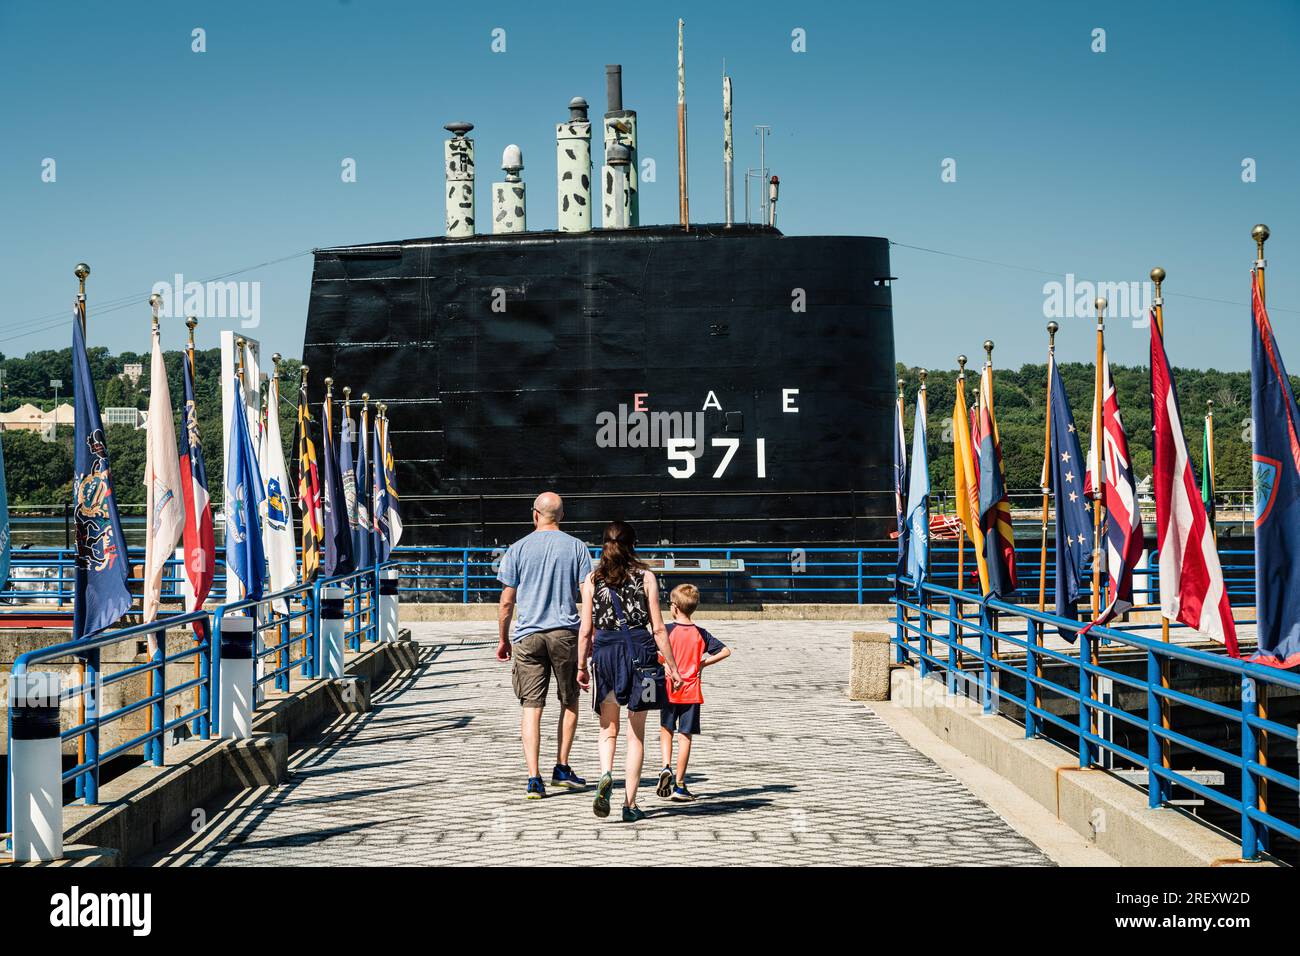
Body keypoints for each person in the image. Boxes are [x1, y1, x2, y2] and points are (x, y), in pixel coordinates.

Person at [577, 521, 682, 823]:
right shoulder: (646, 577)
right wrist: (673, 668)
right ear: (633, 544)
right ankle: (630, 804)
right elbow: (659, 629)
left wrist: (581, 666)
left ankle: (606, 774)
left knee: (607, 729)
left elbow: (586, 631)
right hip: (643, 656)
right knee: (636, 734)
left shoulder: (591, 579)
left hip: (605, 655)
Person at [496, 492, 593, 799]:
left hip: (527, 635)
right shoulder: (577, 548)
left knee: (531, 708)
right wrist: (588, 636)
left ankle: (533, 778)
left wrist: (503, 638)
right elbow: (587, 596)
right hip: (565, 632)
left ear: (534, 515)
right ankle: (562, 768)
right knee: (569, 700)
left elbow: (507, 602)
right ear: (561, 516)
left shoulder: (518, 548)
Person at [655, 583, 731, 802]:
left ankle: (665, 767)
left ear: (675, 607)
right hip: (691, 692)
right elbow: (725, 651)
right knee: (685, 736)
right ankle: (679, 784)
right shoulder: (700, 633)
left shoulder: (667, 631)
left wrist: (665, 664)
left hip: (668, 690)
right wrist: (702, 664)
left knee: (666, 729)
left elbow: (655, 651)